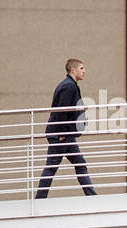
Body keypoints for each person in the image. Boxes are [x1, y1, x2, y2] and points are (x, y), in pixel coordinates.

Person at [34, 58, 97, 199]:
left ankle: (92, 196)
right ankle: (39, 199)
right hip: (62, 135)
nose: (84, 71)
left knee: (80, 164)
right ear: (73, 70)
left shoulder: (70, 85)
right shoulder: (69, 86)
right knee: (51, 167)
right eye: (81, 68)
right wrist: (62, 134)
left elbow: (67, 110)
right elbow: (62, 111)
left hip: (66, 134)